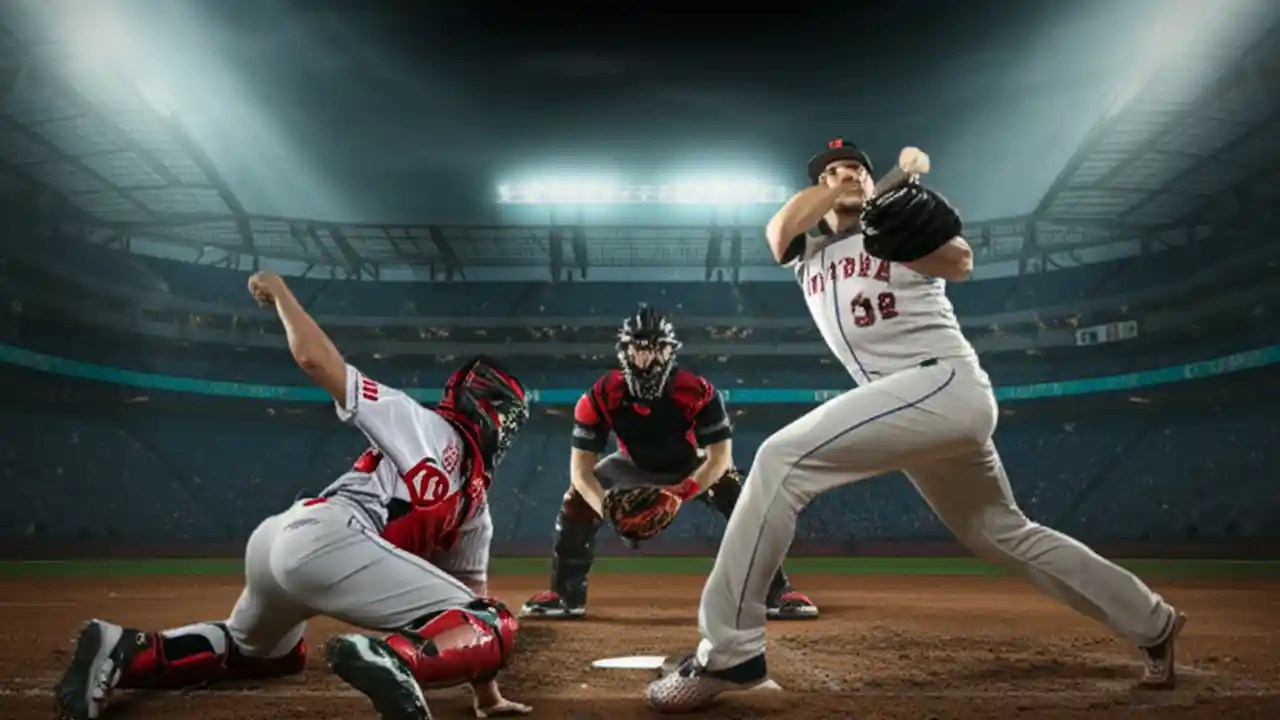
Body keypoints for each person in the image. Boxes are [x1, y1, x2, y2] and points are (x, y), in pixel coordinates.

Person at [645, 138, 1187, 712]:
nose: (846, 174)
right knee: (1000, 531)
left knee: (782, 459)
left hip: (944, 383)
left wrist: (900, 226)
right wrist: (841, 190)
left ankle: (729, 653)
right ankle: (1153, 623)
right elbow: (777, 232)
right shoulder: (809, 247)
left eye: (855, 167)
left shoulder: (898, 223)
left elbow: (962, 261)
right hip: (908, 404)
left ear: (872, 179)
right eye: (832, 170)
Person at [54, 271, 534, 720]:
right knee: (496, 621)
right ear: (481, 404)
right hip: (327, 538)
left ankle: (125, 647)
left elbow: (466, 607)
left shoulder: (475, 503)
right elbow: (317, 361)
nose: (508, 429)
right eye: (507, 415)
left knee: (262, 654)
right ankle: (392, 659)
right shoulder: (428, 428)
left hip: (282, 540)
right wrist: (283, 295)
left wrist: (487, 698)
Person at [518, 304, 817, 621]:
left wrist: (679, 494)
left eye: (656, 349)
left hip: (689, 464)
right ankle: (565, 595)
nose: (646, 359)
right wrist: (607, 507)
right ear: (624, 351)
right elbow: (580, 471)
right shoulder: (600, 395)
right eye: (638, 348)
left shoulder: (698, 392)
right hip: (630, 463)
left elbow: (719, 459)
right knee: (576, 501)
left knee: (741, 498)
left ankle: (776, 590)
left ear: (671, 351)